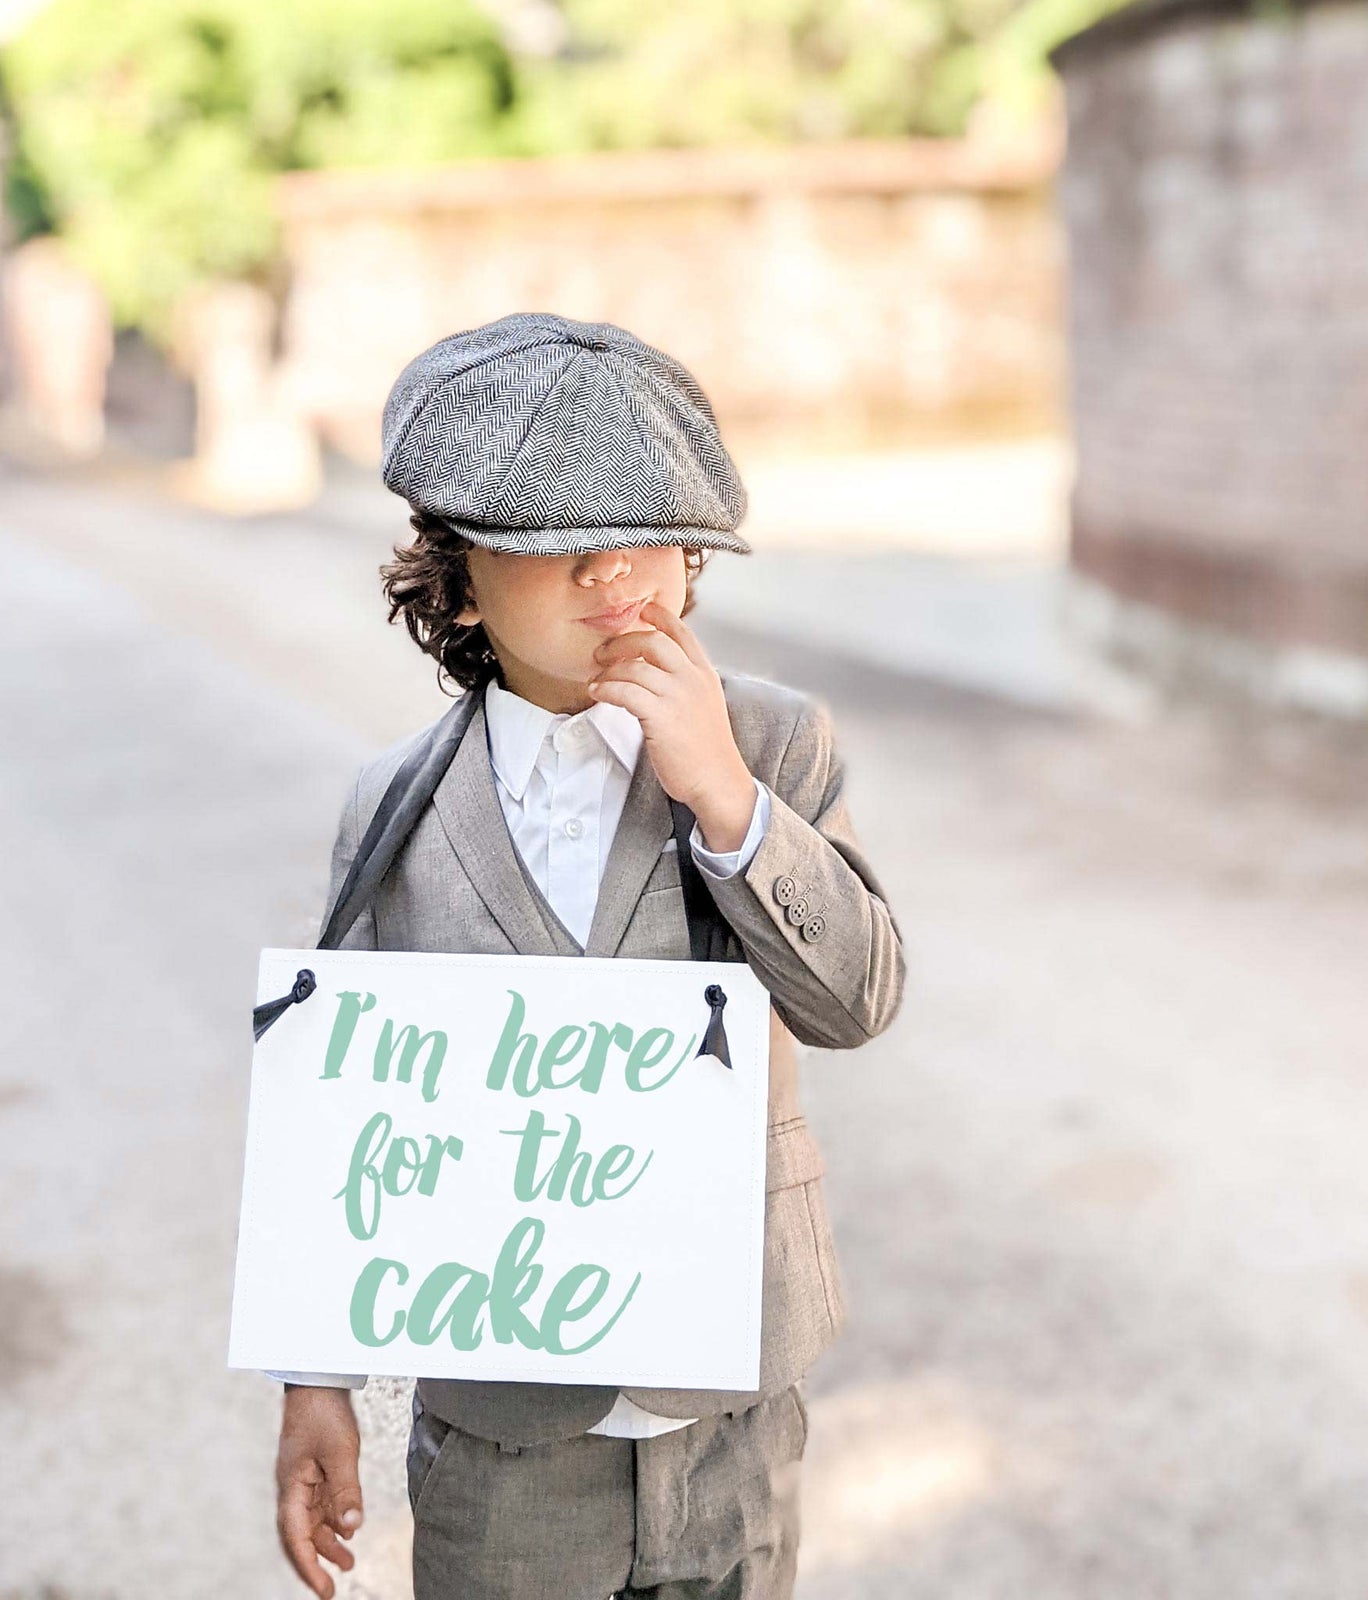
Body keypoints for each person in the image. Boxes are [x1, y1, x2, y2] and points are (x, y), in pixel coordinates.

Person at [267, 312, 908, 1600]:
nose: (617, 576)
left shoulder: (773, 745)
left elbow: (857, 1000)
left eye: (651, 534)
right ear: (451, 575)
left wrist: (725, 799)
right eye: (556, 546)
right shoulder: (391, 807)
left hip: (728, 1398)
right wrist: (313, 1376)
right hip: (503, 1439)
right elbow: (343, 1114)